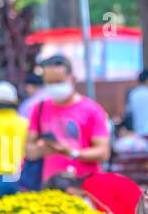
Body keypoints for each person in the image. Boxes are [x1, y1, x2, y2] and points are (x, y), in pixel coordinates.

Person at [23, 55, 111, 185]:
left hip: (85, 187)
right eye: (49, 82)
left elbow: (103, 153)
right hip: (50, 187)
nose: (54, 86)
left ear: (73, 79)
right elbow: (29, 149)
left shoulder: (91, 110)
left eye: (58, 81)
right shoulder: (39, 108)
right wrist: (43, 149)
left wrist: (72, 152)